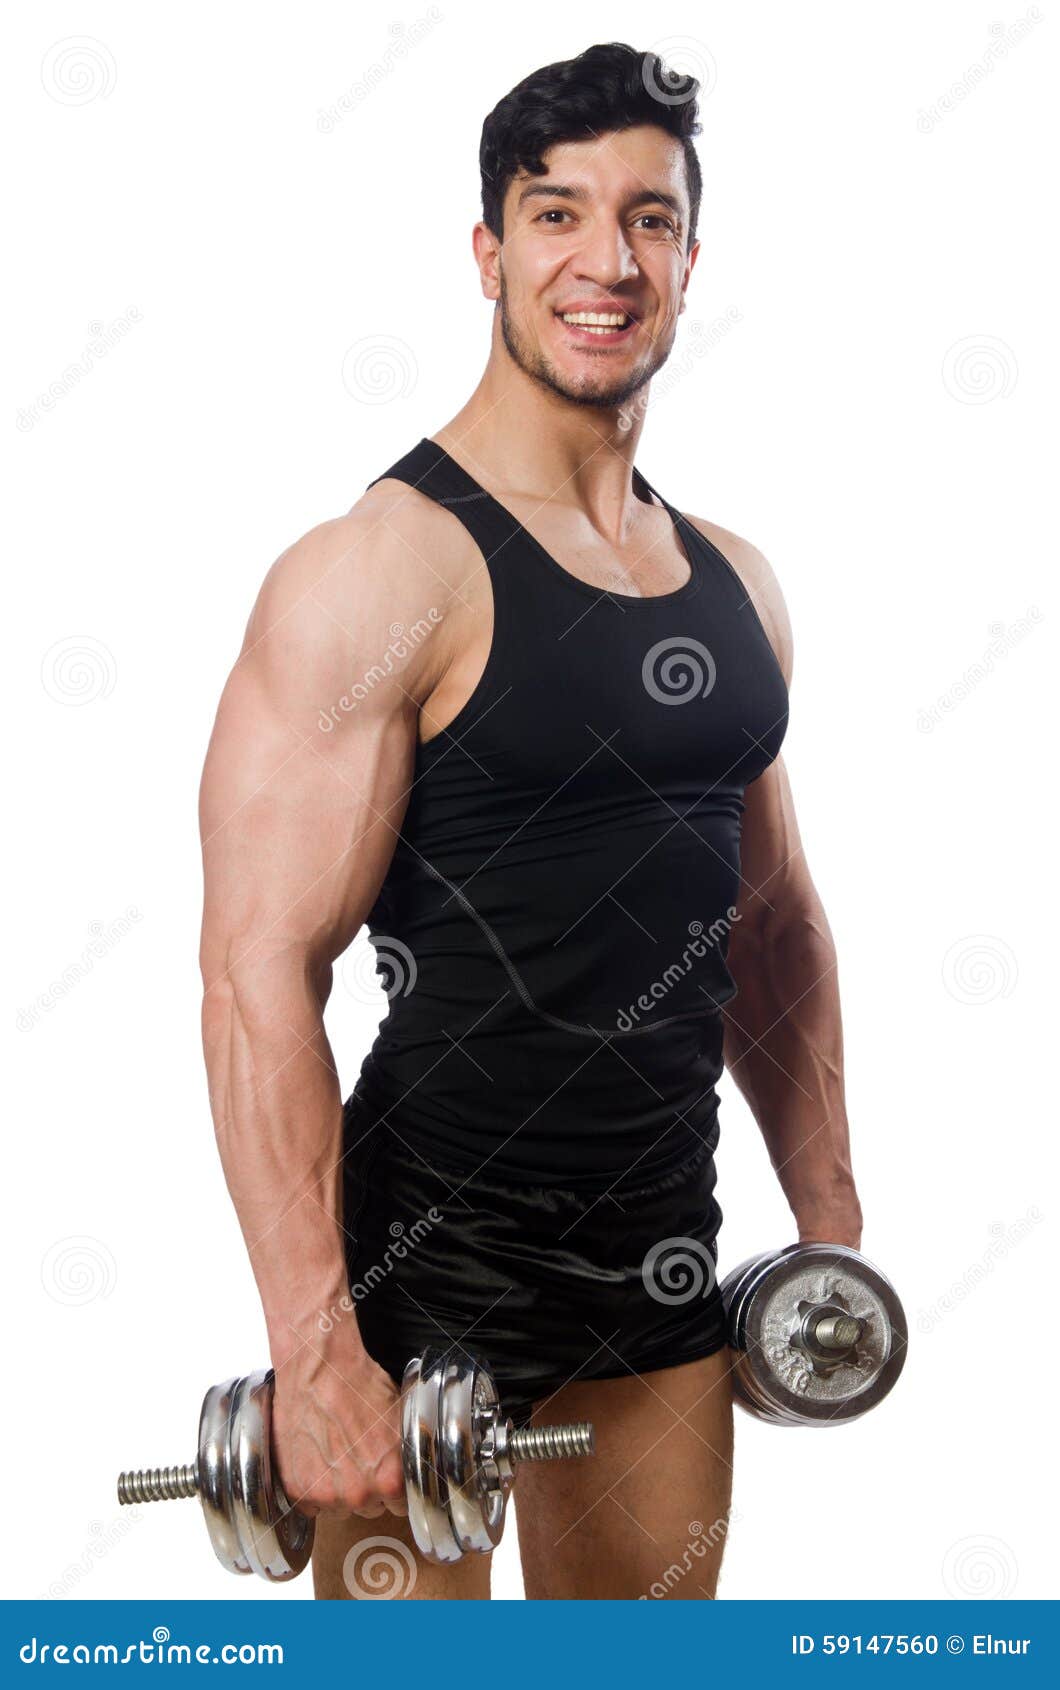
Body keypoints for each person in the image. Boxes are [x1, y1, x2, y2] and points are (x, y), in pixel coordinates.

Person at [197, 41, 862, 1601]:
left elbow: (772, 928)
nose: (605, 260)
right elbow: (254, 979)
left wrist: (826, 1229)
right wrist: (318, 1352)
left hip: (662, 1267)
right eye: (557, 215)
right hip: (424, 1292)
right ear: (490, 254)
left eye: (648, 218)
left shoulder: (735, 583)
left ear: (691, 260)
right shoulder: (376, 572)